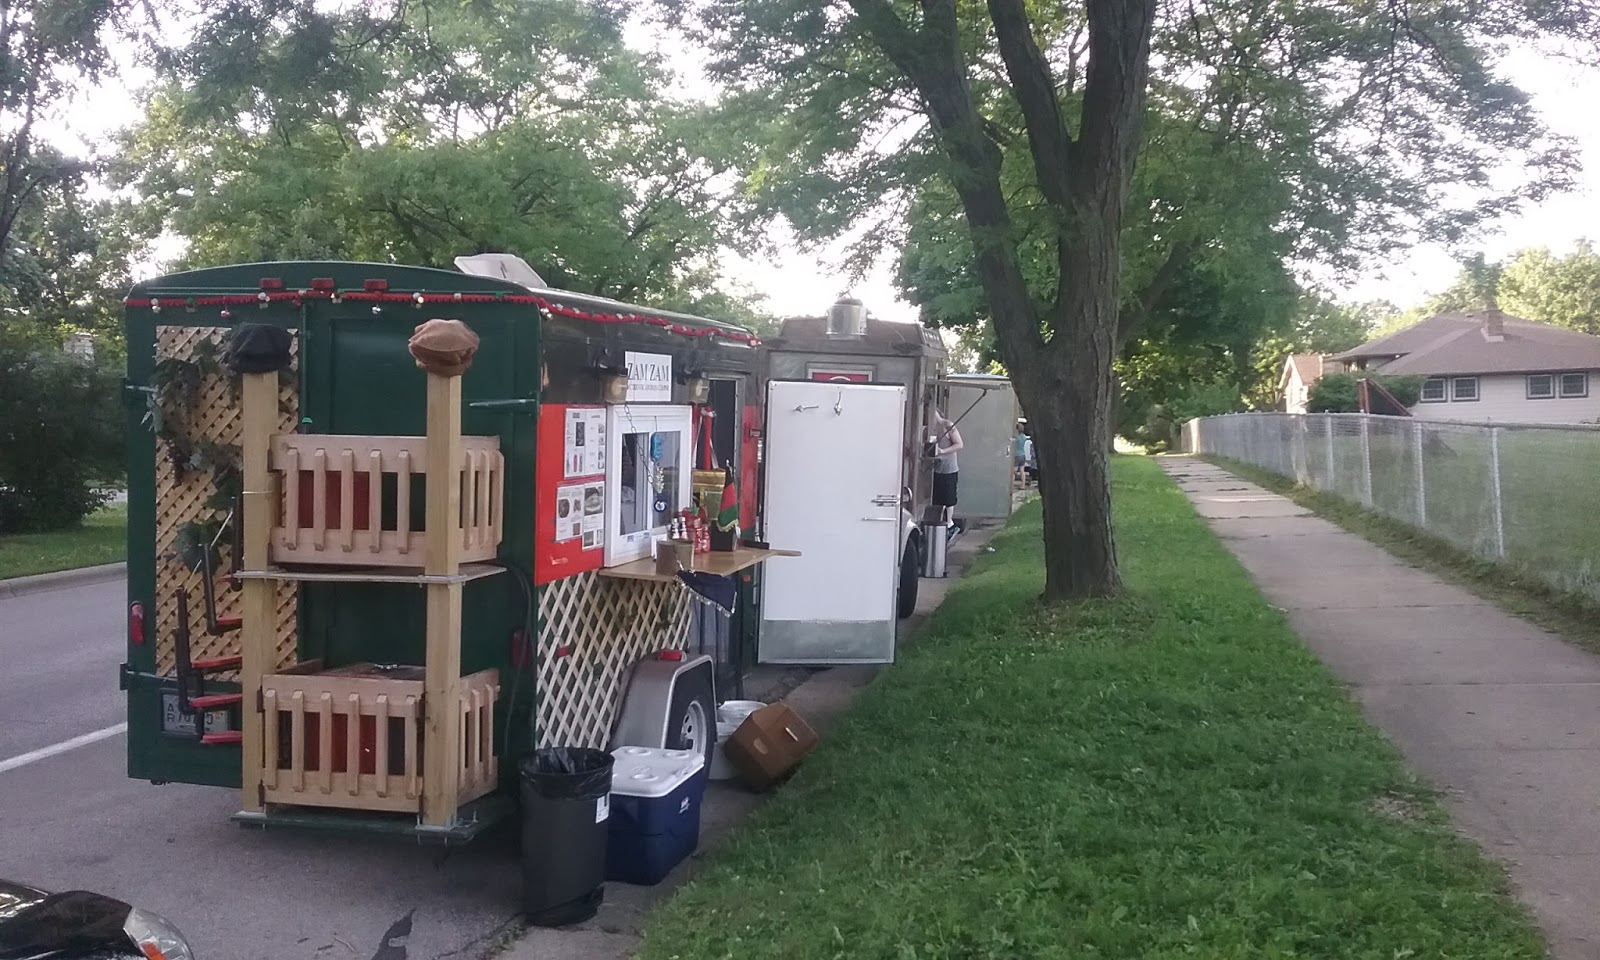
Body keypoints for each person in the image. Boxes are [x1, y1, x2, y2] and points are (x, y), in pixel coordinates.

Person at [930, 411, 964, 539]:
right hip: (934, 469)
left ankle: (950, 523)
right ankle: (938, 522)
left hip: (949, 468)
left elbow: (959, 444)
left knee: (949, 498)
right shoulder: (927, 429)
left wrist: (943, 451)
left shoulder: (948, 425)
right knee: (937, 498)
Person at [1013, 421, 1030, 485]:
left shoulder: (1016, 437)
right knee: (1022, 470)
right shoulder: (1024, 436)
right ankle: (1023, 485)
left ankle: (1011, 485)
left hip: (1016, 455)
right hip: (1023, 454)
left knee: (1013, 472)